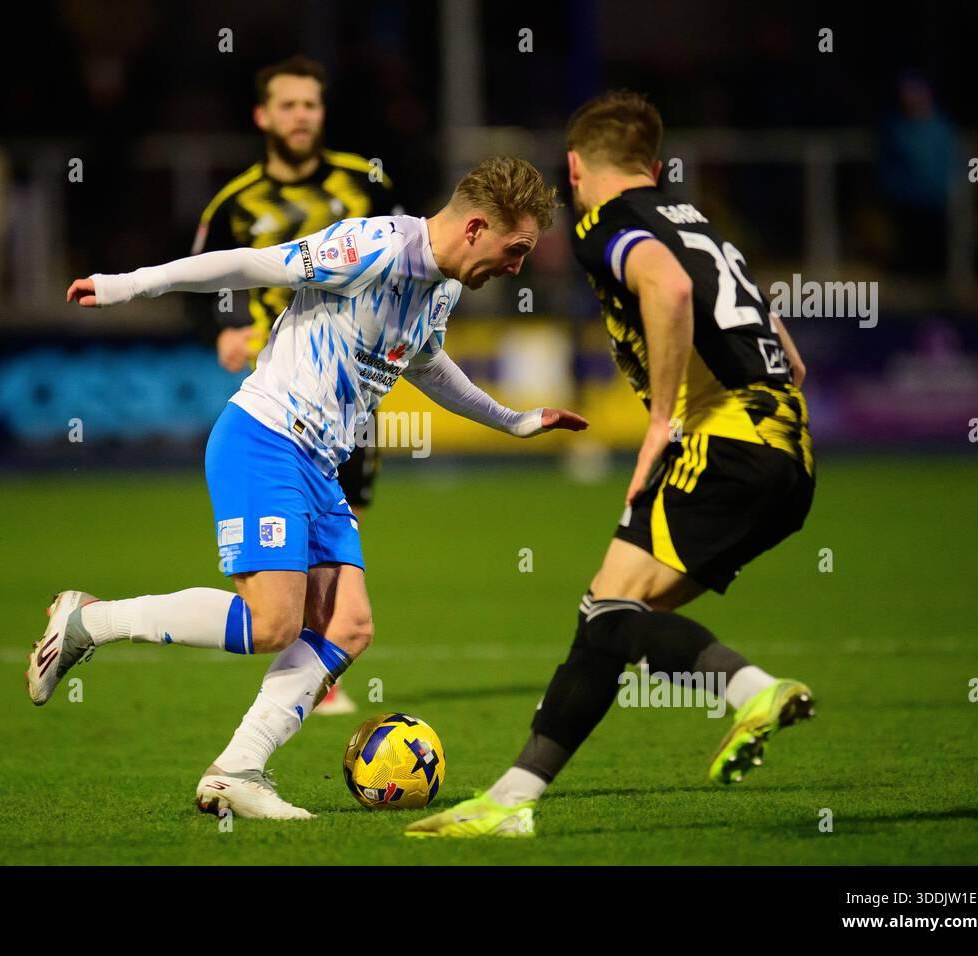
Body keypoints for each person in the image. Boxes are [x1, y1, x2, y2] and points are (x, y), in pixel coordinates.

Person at [30, 157, 587, 820]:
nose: (517, 267)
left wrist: (513, 420)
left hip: (318, 464)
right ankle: (90, 621)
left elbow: (426, 363)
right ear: (474, 228)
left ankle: (237, 771)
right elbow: (248, 264)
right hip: (265, 438)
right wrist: (129, 285)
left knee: (347, 627)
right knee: (274, 624)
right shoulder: (373, 247)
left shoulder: (442, 285)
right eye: (515, 249)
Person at [407, 91, 815, 839]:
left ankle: (752, 689)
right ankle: (511, 800)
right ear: (654, 164)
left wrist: (663, 420)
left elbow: (668, 287)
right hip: (788, 454)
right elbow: (789, 355)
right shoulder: (701, 226)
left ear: (575, 166)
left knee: (609, 612)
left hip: (724, 444)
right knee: (612, 615)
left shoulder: (609, 223)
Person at [193, 54, 401, 715]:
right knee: (301, 537)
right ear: (263, 116)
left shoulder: (366, 184)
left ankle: (306, 669)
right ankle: (307, 672)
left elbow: (407, 260)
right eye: (288, 105)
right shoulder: (232, 205)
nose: (301, 116)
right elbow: (207, 281)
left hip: (349, 394)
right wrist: (225, 329)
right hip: (279, 396)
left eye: (310, 104)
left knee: (342, 528)